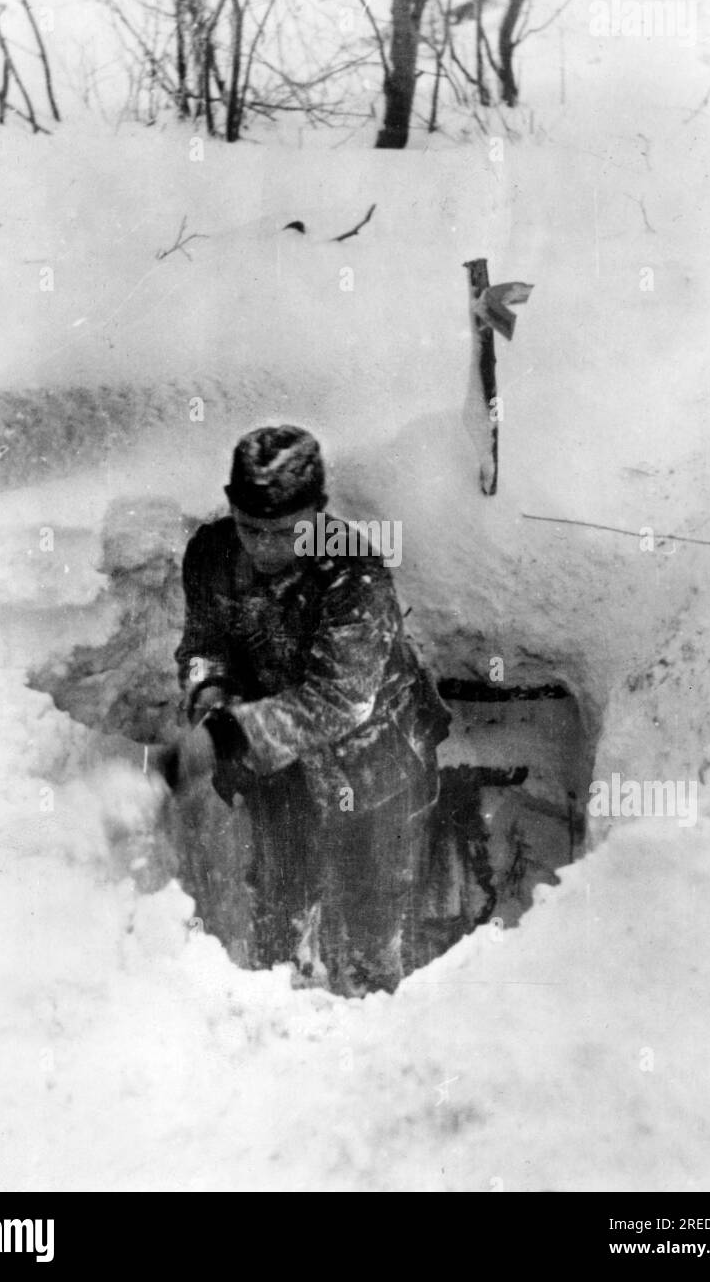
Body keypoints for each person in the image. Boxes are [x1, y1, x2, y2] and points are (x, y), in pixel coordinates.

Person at [171, 425, 451, 995]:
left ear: (319, 513)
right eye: (251, 530)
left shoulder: (354, 572)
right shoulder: (212, 554)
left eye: (286, 532)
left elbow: (340, 700)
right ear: (230, 508)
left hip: (375, 771)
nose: (266, 548)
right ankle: (287, 1042)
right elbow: (202, 647)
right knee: (280, 922)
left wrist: (225, 738)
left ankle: (382, 1041)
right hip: (280, 774)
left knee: (373, 935)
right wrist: (209, 695)